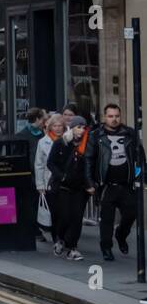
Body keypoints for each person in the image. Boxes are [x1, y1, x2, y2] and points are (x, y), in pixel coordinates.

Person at [87, 103, 143, 262]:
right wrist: (90, 182)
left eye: (117, 116)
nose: (114, 119)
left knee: (132, 213)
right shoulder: (96, 135)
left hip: (126, 184)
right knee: (106, 219)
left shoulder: (129, 133)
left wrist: (142, 176)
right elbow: (89, 160)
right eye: (110, 116)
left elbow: (140, 157)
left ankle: (121, 234)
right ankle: (106, 247)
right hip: (106, 185)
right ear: (105, 117)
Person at [46, 116, 95, 261]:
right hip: (63, 187)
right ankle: (60, 238)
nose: (81, 130)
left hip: (80, 187)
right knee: (64, 216)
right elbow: (51, 163)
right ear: (72, 127)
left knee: (77, 218)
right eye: (78, 127)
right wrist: (61, 177)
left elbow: (90, 165)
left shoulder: (88, 145)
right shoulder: (61, 143)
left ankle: (72, 248)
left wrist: (91, 184)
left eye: (83, 127)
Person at [33, 113, 65, 244]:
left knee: (66, 211)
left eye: (60, 126)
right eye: (55, 126)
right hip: (49, 181)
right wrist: (40, 185)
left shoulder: (68, 139)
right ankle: (56, 236)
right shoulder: (43, 142)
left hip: (66, 180)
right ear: (50, 127)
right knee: (55, 211)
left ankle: (64, 235)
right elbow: (39, 164)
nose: (58, 128)